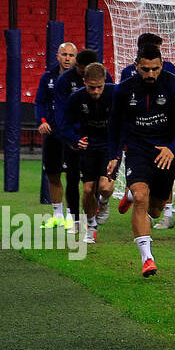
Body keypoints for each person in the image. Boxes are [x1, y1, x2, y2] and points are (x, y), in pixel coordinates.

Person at [106, 44, 175, 277]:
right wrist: (114, 156)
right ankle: (147, 258)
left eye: (155, 69)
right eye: (145, 69)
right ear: (136, 66)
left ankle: (129, 195)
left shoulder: (174, 85)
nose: (150, 74)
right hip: (138, 149)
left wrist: (172, 148)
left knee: (156, 210)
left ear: (161, 65)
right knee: (140, 197)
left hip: (166, 152)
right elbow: (114, 127)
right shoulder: (124, 90)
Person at [121, 32, 175, 230]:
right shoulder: (127, 74)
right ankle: (141, 200)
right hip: (138, 138)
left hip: (165, 134)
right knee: (141, 187)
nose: (151, 73)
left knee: (157, 198)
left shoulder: (170, 72)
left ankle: (159, 208)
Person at [59, 62, 116, 244]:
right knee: (87, 189)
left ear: (104, 82)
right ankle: (91, 227)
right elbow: (64, 125)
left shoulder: (115, 93)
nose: (96, 91)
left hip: (109, 146)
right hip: (88, 147)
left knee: (105, 187)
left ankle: (104, 203)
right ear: (84, 82)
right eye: (92, 87)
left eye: (99, 87)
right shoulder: (76, 98)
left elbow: (126, 119)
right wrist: (75, 140)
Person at [51, 48, 102, 235]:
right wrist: (72, 138)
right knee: (72, 179)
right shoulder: (64, 81)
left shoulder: (105, 79)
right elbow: (62, 115)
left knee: (94, 183)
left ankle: (92, 217)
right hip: (74, 139)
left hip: (95, 140)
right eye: (83, 71)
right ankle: (75, 219)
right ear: (78, 67)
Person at [35, 41, 77, 227]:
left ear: (75, 58)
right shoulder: (47, 77)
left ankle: (70, 214)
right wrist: (42, 122)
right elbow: (39, 102)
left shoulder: (79, 79)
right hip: (52, 133)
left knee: (71, 175)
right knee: (53, 174)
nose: (67, 58)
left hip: (70, 135)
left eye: (71, 55)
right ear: (57, 56)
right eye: (64, 54)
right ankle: (57, 215)